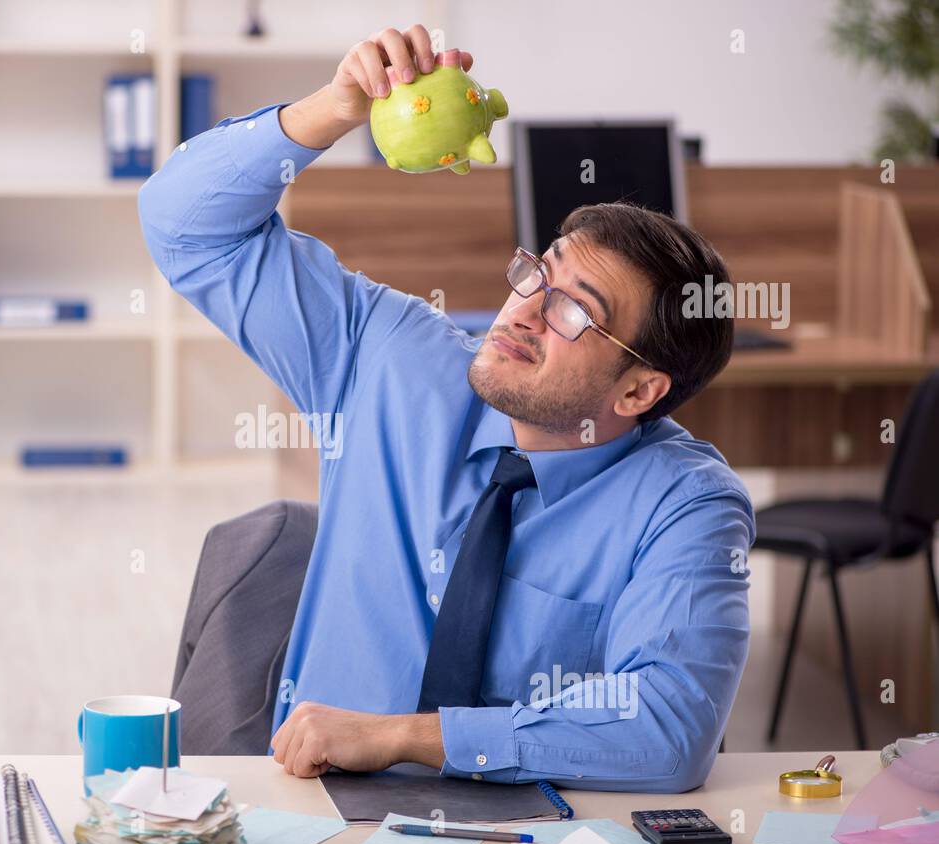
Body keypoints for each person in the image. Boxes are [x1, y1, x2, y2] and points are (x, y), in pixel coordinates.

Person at [138, 24, 753, 792]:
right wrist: (330, 111)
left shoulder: (687, 502)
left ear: (638, 391)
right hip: (308, 804)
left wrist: (404, 736)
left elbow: (668, 728)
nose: (524, 312)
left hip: (526, 831)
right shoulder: (391, 359)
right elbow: (182, 224)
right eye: (536, 275)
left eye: (573, 314)